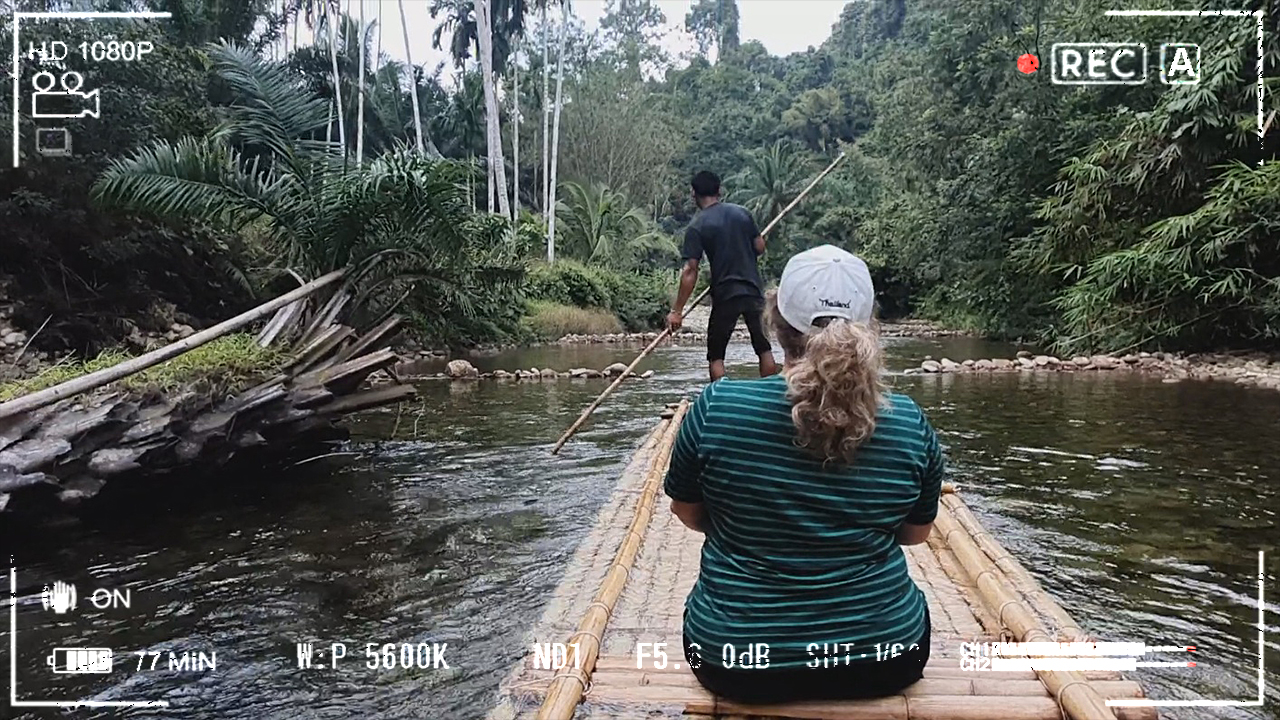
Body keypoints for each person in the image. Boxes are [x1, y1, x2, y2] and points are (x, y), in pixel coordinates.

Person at [662, 244, 944, 705]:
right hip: (886, 656)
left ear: (775, 321)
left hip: (734, 661)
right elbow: (915, 535)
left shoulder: (715, 409)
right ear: (868, 325)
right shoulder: (908, 422)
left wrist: (757, 526)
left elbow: (687, 513)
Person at [667, 171, 778, 381]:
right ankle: (771, 395)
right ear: (719, 190)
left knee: (716, 356)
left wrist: (677, 311)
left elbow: (690, 270)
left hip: (725, 294)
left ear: (694, 194)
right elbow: (760, 247)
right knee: (764, 348)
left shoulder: (697, 226)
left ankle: (719, 399)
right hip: (753, 290)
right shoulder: (742, 214)